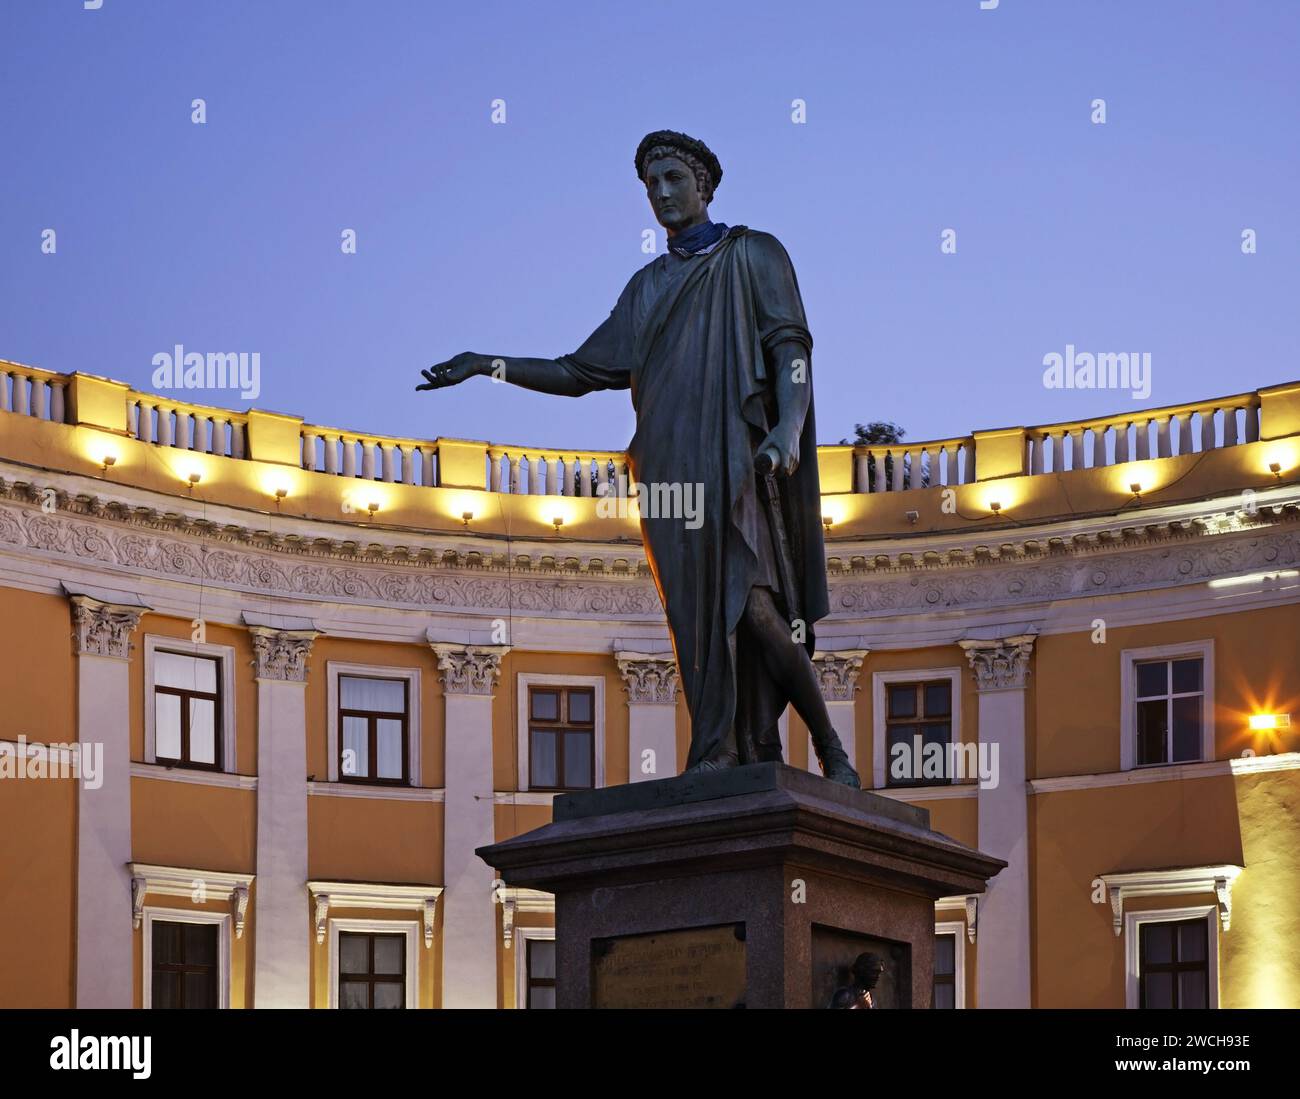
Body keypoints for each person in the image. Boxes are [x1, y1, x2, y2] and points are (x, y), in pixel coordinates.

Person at [418, 130, 858, 787]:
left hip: (737, 462)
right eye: (651, 184)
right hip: (665, 475)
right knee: (693, 623)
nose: (661, 193)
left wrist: (788, 430)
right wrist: (487, 364)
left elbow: (791, 350)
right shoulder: (646, 288)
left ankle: (829, 746)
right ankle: (718, 749)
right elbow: (576, 371)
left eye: (673, 178)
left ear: (705, 185)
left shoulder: (754, 255)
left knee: (758, 610)